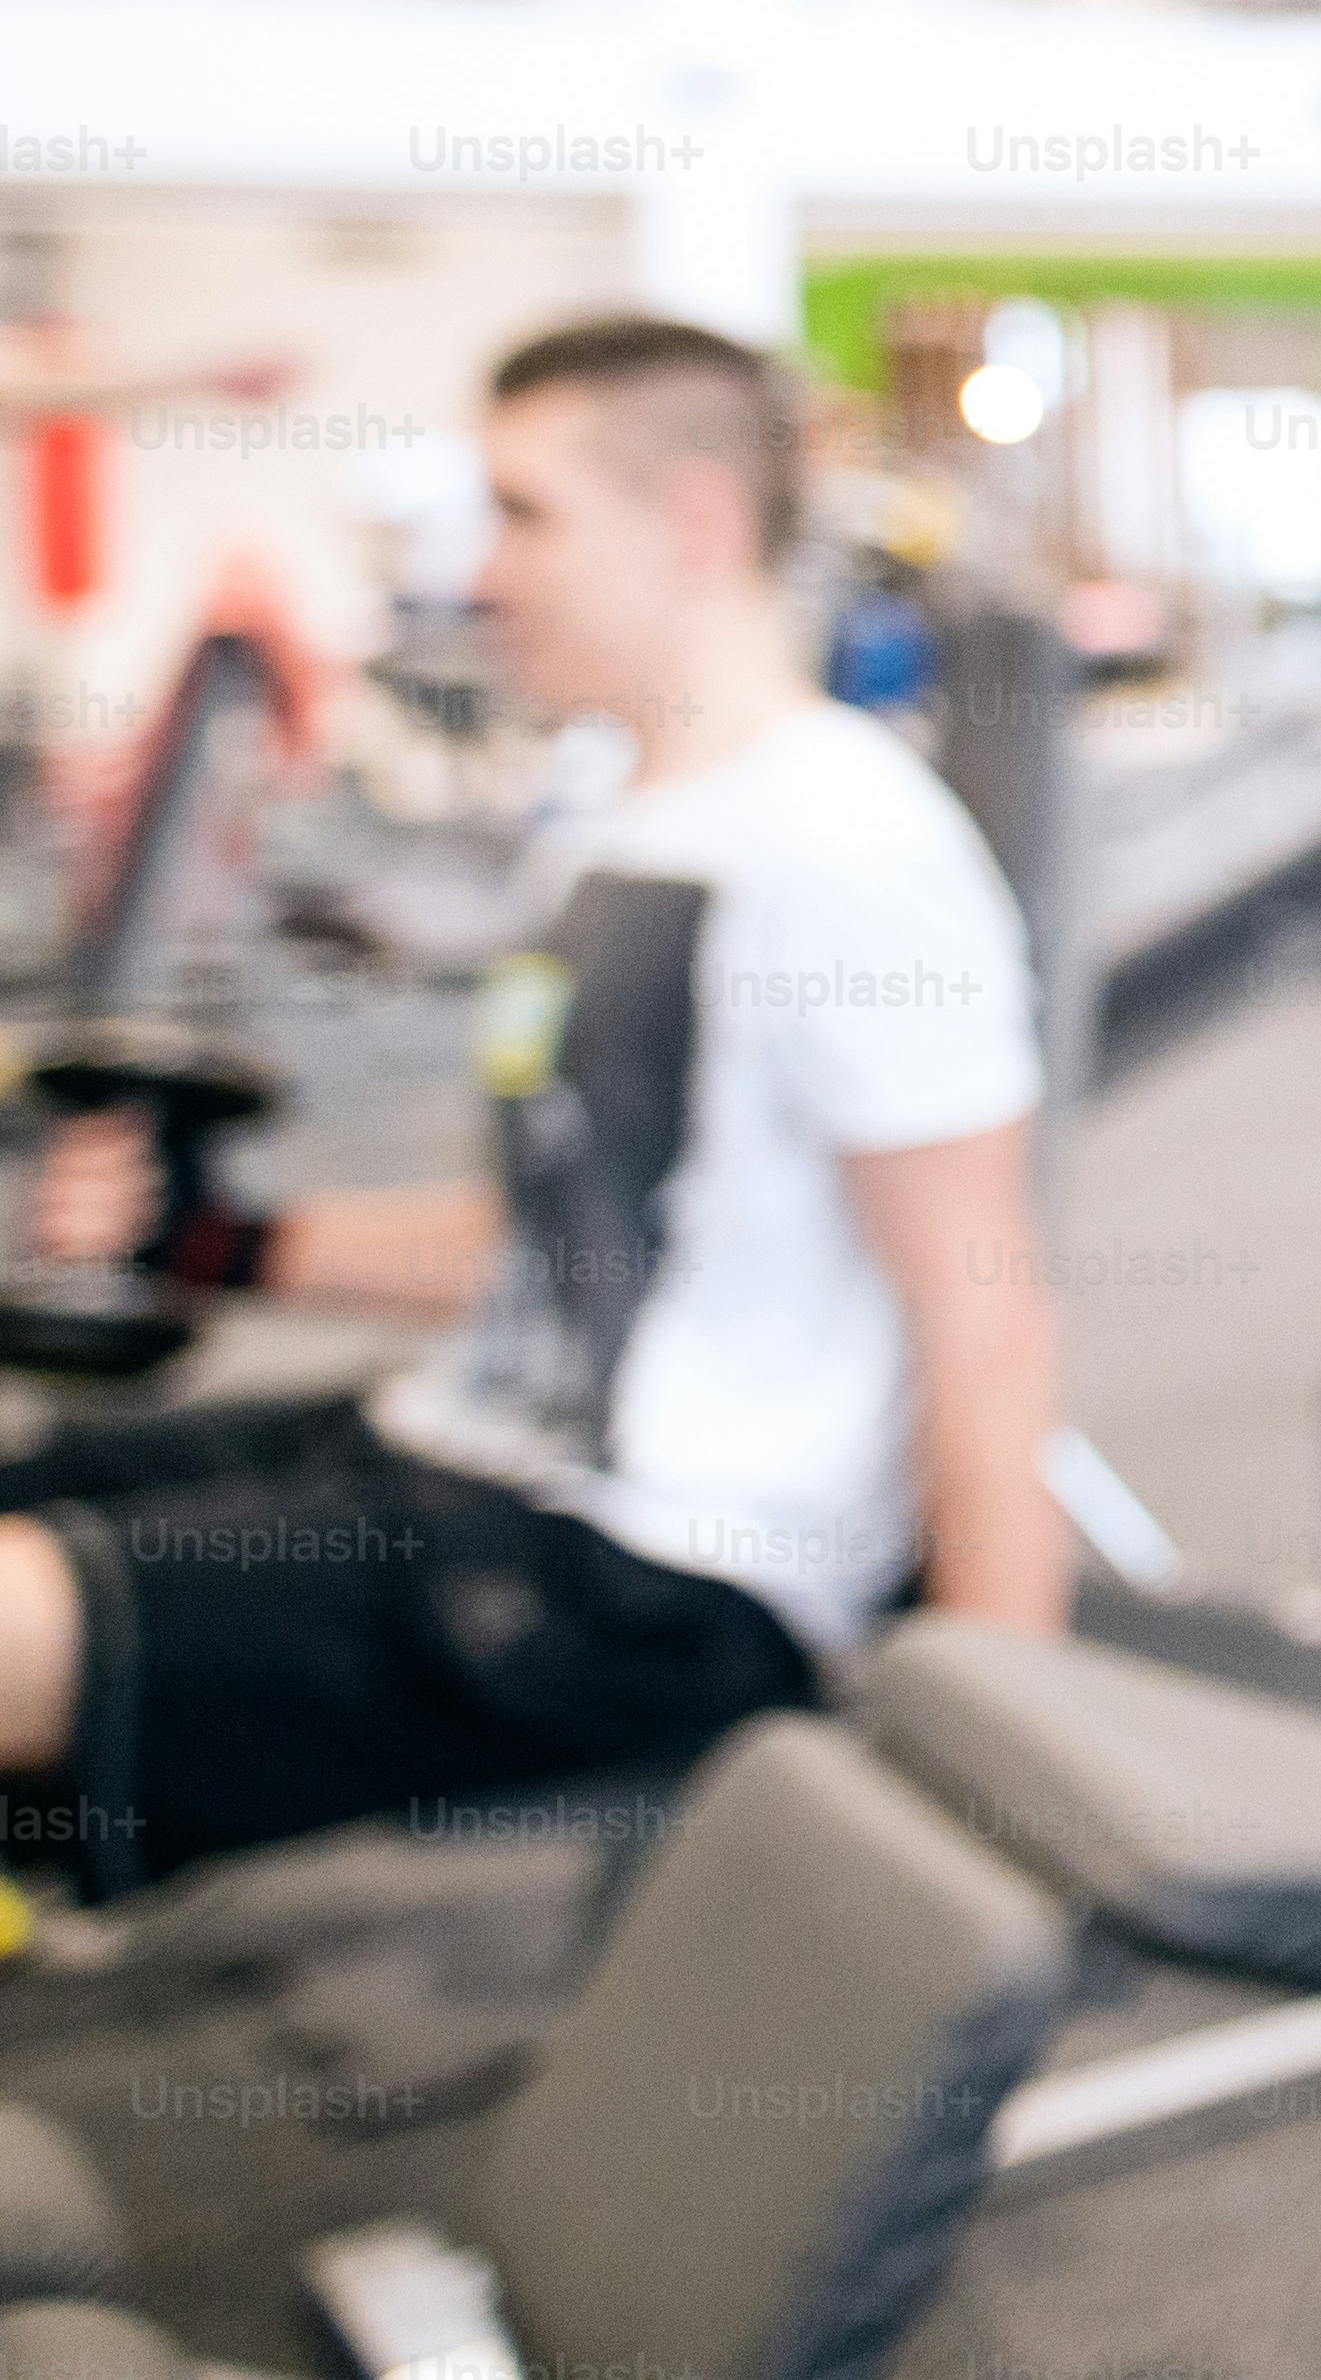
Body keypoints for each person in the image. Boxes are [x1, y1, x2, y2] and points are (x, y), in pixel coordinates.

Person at [3, 317, 1060, 1903]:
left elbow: (987, 1310)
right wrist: (216, 1240)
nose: (479, 569)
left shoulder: (848, 847)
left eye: (524, 513)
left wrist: (999, 1750)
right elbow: (554, 1240)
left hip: (672, 1571)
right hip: (475, 1450)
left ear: (695, 524)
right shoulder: (612, 814)